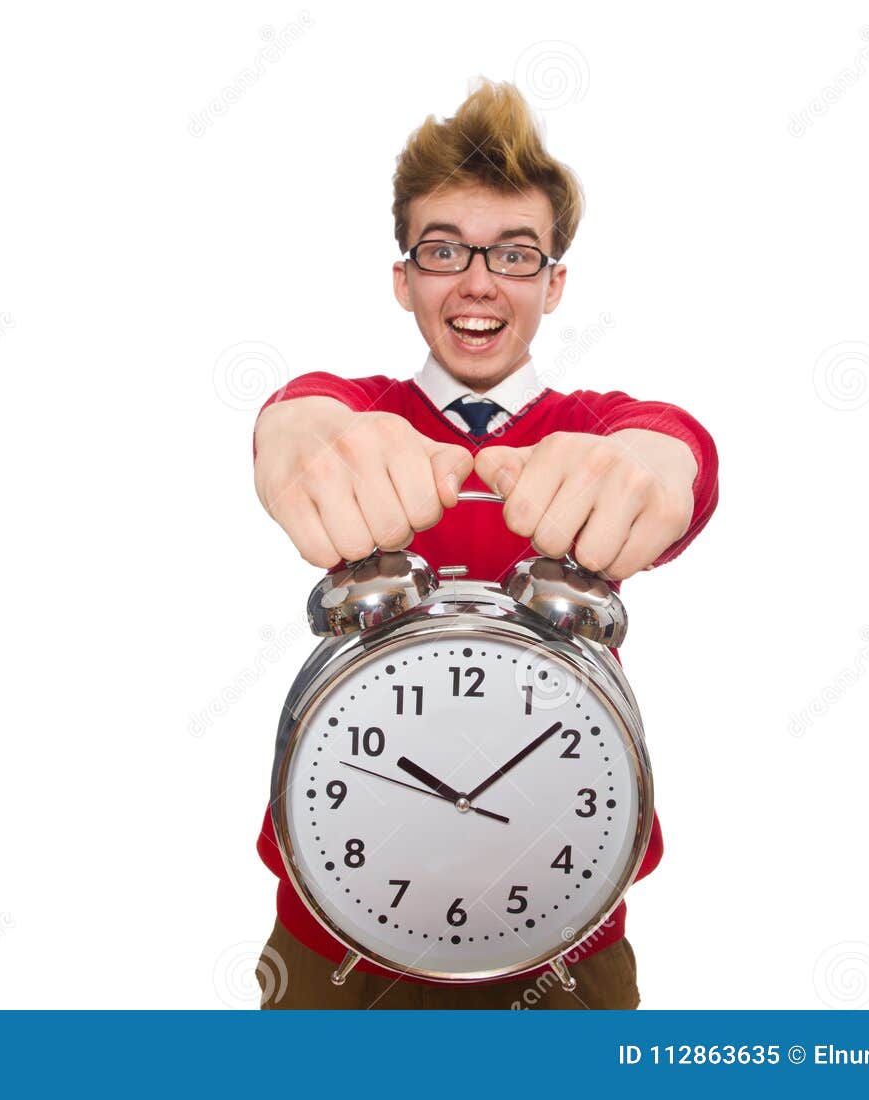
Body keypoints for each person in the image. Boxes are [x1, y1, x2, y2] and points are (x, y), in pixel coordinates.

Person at [249, 79, 719, 1009]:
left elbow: (670, 449)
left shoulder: (597, 427)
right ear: (405, 278)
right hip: (332, 946)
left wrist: (656, 471)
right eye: (444, 250)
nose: (477, 281)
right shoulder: (358, 413)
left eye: (513, 253)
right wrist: (300, 441)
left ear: (553, 283)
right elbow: (298, 421)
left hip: (565, 947)